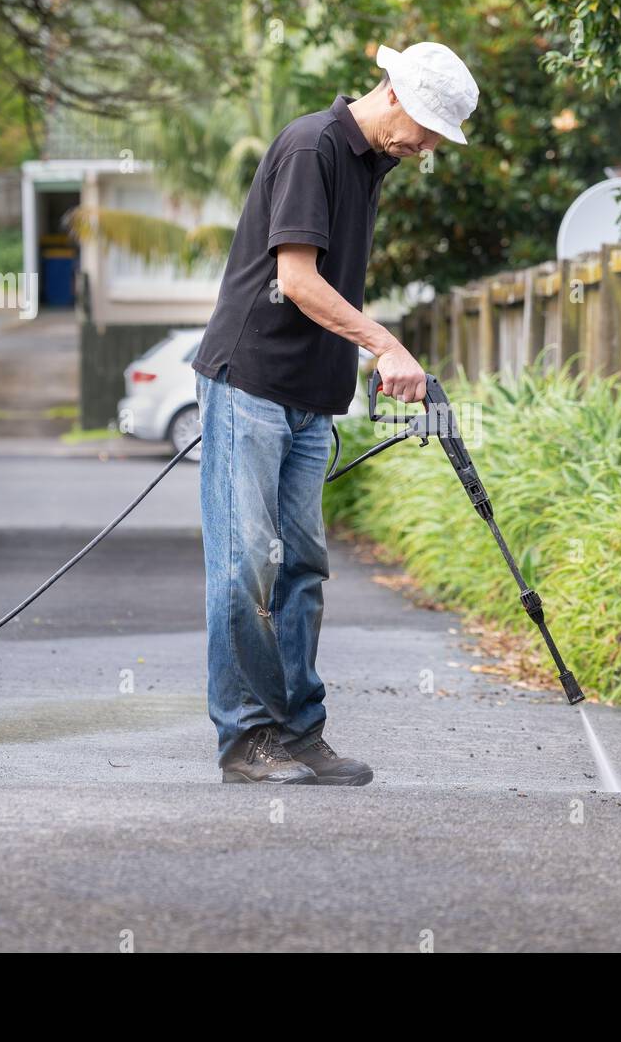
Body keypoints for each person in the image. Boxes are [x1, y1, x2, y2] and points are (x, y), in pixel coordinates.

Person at [190, 42, 479, 784]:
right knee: (245, 567)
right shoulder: (311, 145)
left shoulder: (368, 164)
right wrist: (385, 345)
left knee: (303, 571)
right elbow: (295, 280)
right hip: (248, 381)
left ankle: (299, 732)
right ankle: (245, 740)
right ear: (392, 94)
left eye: (438, 138)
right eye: (425, 130)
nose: (426, 148)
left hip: (308, 397)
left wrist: (360, 364)